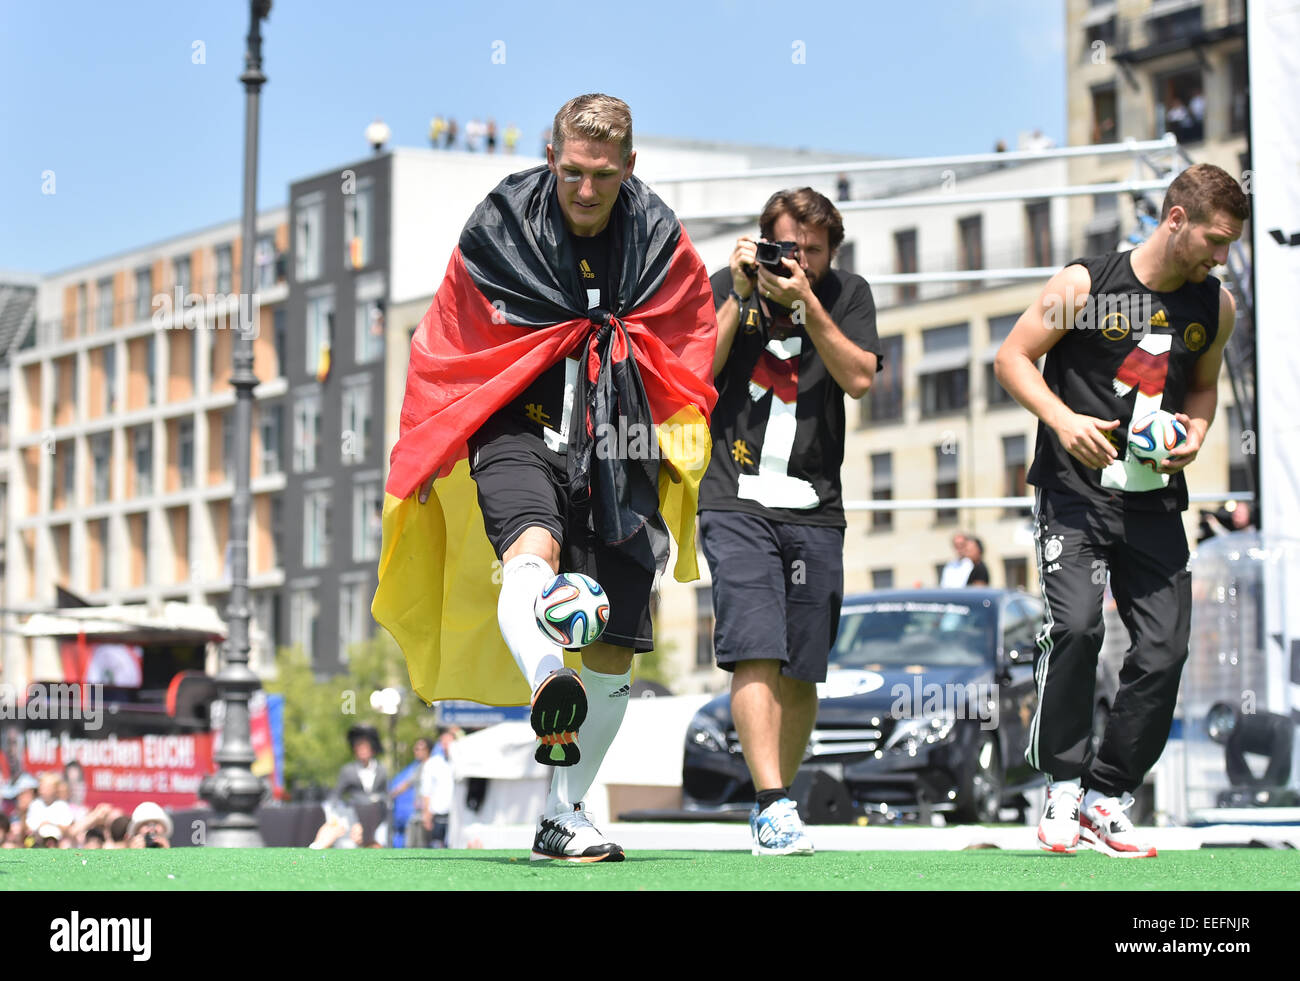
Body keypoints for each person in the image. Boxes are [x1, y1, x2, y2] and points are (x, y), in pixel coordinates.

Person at [372, 93, 717, 864]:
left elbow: (690, 330)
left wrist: (681, 433)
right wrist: (427, 445)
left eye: (602, 175)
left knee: (616, 654)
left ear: (629, 166)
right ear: (549, 157)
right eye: (571, 172)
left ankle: (565, 813)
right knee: (533, 547)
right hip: (515, 426)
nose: (585, 190)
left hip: (619, 443)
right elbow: (450, 341)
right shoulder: (500, 224)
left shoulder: (658, 237)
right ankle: (541, 677)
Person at [994, 162, 1249, 857]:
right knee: (1076, 629)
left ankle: (1108, 794)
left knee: (1166, 647)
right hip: (1075, 493)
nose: (1222, 256)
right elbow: (1013, 358)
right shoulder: (1083, 283)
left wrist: (1195, 435)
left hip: (1155, 500)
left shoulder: (1215, 306)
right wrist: (1061, 418)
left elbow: (1201, 387)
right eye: (1216, 240)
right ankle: (1063, 784)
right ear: (1176, 220)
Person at [703, 186, 880, 855]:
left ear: (831, 253)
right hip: (734, 499)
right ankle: (772, 801)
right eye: (786, 249)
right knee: (756, 644)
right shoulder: (730, 285)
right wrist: (741, 295)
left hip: (814, 506)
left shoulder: (846, 294)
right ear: (761, 241)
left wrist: (806, 304)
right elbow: (697, 374)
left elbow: (860, 378)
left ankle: (779, 795)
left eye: (811, 252)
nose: (796, 262)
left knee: (803, 666)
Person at [389, 736, 432, 848]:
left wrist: (427, 813)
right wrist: (391, 794)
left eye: (419, 749)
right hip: (417, 813)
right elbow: (407, 783)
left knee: (424, 848)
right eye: (415, 749)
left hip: (429, 813)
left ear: (428, 751)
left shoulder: (433, 766)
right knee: (411, 846)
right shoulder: (418, 767)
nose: (416, 751)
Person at [417, 728, 457, 847]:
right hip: (438, 816)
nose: (446, 746)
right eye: (444, 743)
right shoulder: (433, 763)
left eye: (449, 742)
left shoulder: (461, 762)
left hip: (456, 816)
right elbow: (426, 791)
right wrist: (427, 814)